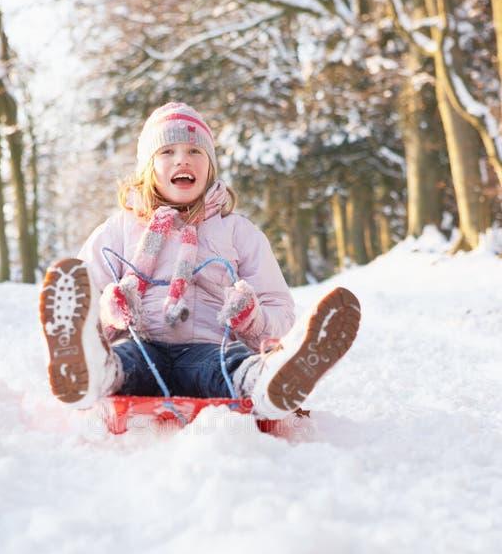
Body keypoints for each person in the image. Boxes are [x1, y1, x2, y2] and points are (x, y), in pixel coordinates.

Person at [39, 102, 361, 420]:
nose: (182, 159)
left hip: (207, 351)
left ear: (210, 166)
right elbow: (88, 306)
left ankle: (270, 382)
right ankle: (89, 373)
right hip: (141, 348)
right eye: (167, 152)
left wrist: (253, 320)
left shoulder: (238, 232)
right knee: (123, 363)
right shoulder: (117, 231)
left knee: (231, 365)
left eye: (195, 151)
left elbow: (279, 309)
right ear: (147, 167)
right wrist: (111, 316)